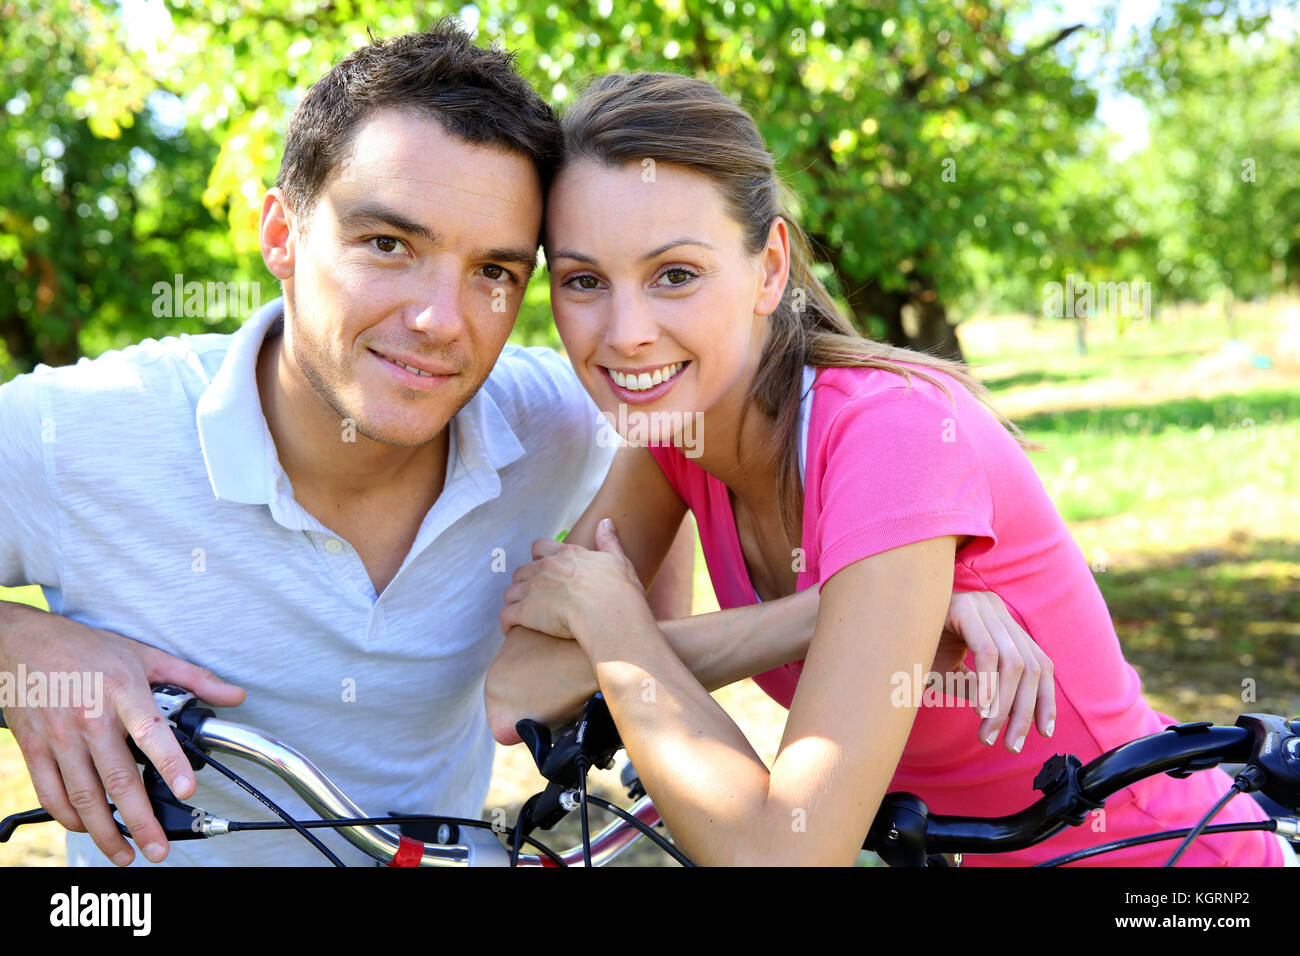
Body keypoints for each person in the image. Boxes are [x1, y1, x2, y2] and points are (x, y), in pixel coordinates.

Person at [0, 25, 1038, 868]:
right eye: (387, 244)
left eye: (496, 270)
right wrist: (25, 649)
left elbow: (594, 657)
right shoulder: (78, 432)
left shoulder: (560, 414)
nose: (441, 320)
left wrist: (864, 600)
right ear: (281, 233)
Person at [488, 72, 1288, 866]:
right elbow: (514, 693)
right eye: (585, 281)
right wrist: (831, 614)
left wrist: (617, 625)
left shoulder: (892, 435)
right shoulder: (674, 436)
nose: (626, 333)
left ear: (769, 269)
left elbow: (783, 857)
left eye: (676, 275)